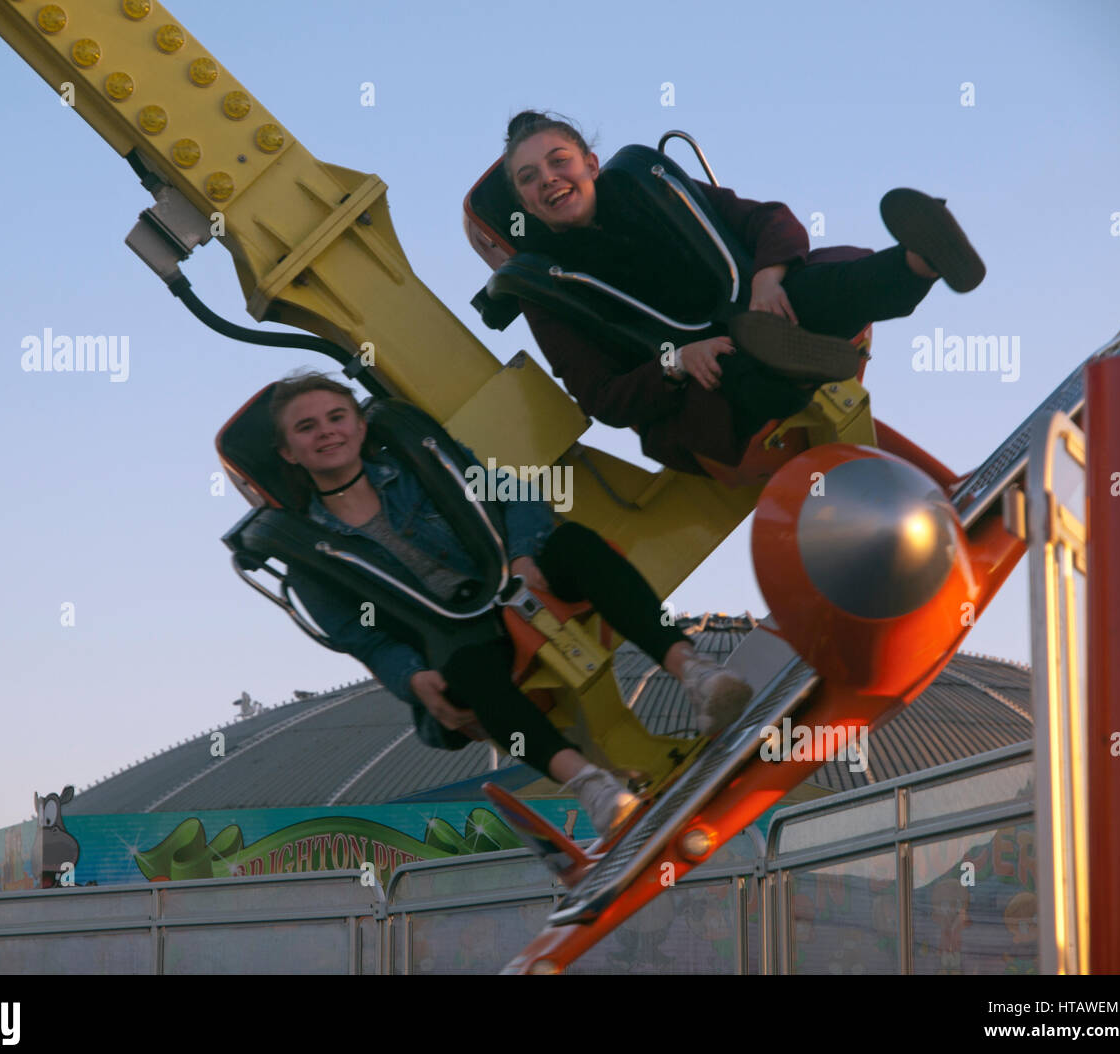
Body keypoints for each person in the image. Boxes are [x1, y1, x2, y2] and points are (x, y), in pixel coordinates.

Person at [270, 370, 754, 837]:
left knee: (576, 545)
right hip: (458, 636)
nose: (326, 432)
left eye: (337, 417)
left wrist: (522, 554)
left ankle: (695, 673)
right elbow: (367, 639)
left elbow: (512, 493)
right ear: (287, 453)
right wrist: (412, 677)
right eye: (307, 427)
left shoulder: (423, 464)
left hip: (514, 583)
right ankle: (591, 785)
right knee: (464, 671)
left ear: (360, 424)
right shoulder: (311, 556)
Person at [500, 110, 986, 477]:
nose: (548, 179)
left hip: (766, 310)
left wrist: (767, 276)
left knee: (809, 291)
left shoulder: (651, 186)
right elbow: (601, 396)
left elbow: (764, 219)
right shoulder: (546, 289)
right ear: (525, 204)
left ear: (591, 163)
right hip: (700, 385)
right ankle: (796, 365)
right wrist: (677, 362)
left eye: (559, 161)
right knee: (736, 362)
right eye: (529, 179)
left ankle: (920, 261)